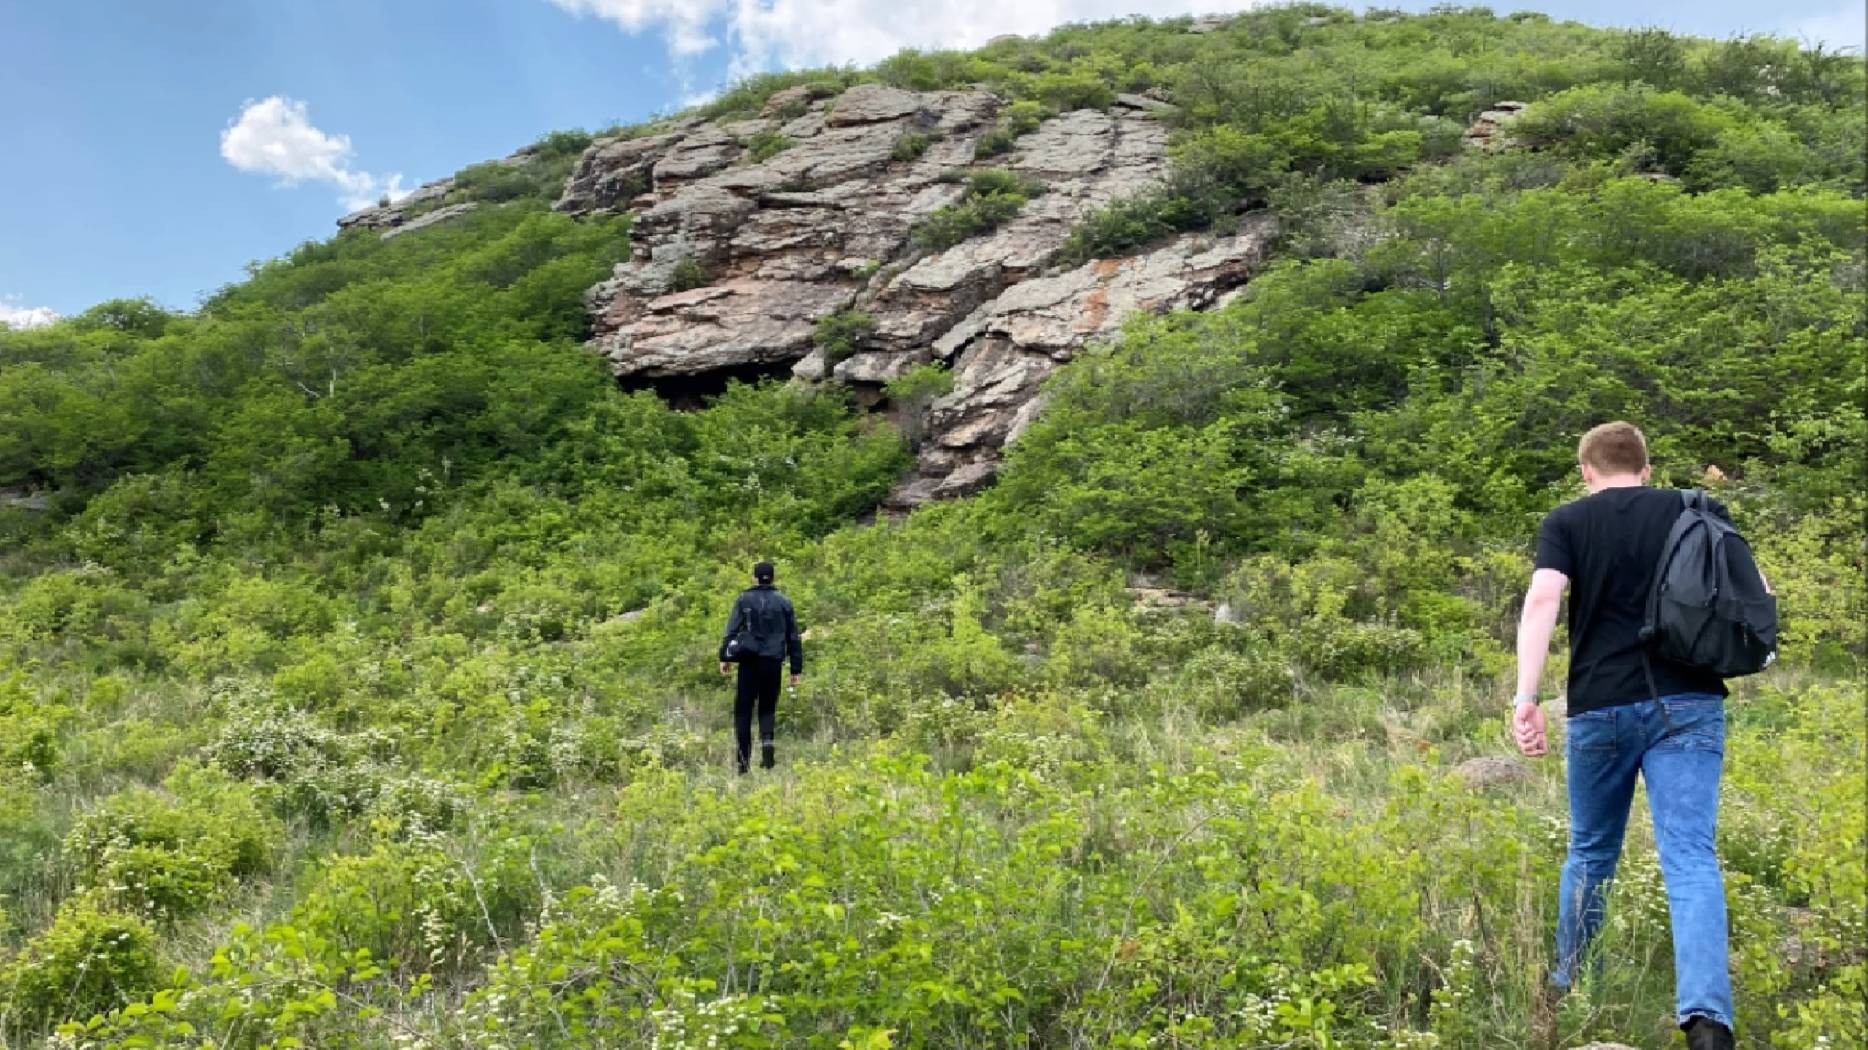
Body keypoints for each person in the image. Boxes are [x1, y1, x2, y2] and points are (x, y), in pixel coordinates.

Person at [1511, 421, 1741, 1050]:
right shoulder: (1693, 508)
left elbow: (1543, 601)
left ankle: (1570, 987)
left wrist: (1527, 698)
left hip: (1600, 704)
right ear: (1646, 466)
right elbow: (1754, 592)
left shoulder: (1567, 522)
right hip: (1690, 700)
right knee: (1691, 857)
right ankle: (1708, 1021)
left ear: (1585, 470)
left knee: (1590, 852)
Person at [719, 560, 802, 774]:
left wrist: (724, 657)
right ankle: (767, 747)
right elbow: (793, 637)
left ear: (754, 578)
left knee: (743, 711)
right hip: (773, 662)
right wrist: (796, 669)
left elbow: (731, 630)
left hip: (749, 662)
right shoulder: (784, 601)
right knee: (767, 707)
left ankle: (743, 763)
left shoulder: (744, 599)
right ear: (773, 578)